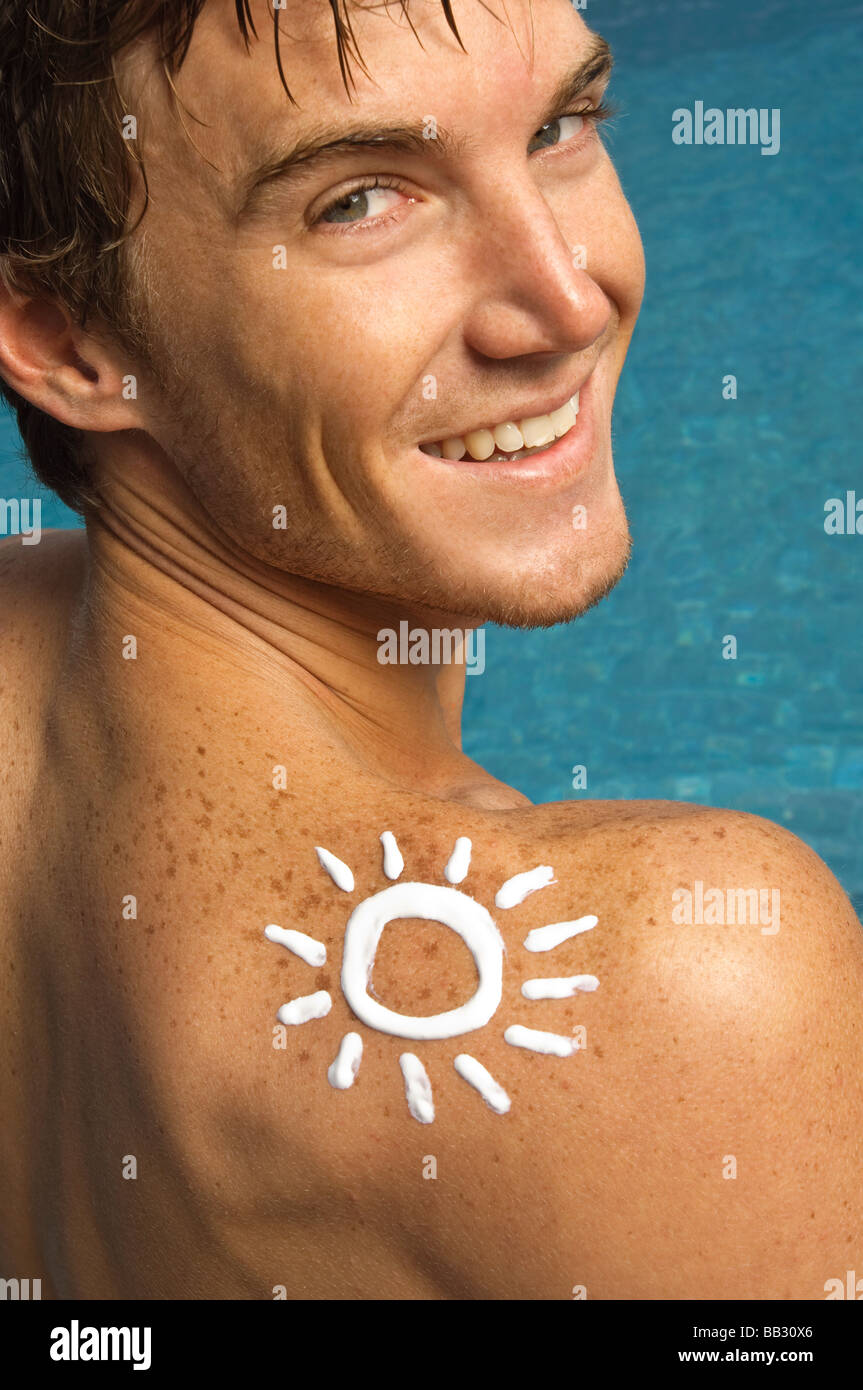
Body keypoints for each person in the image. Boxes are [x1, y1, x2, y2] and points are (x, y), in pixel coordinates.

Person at [0, 0, 860, 1300]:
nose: (566, 302)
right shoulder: (683, 974)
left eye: (562, 127)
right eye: (358, 202)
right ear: (69, 339)